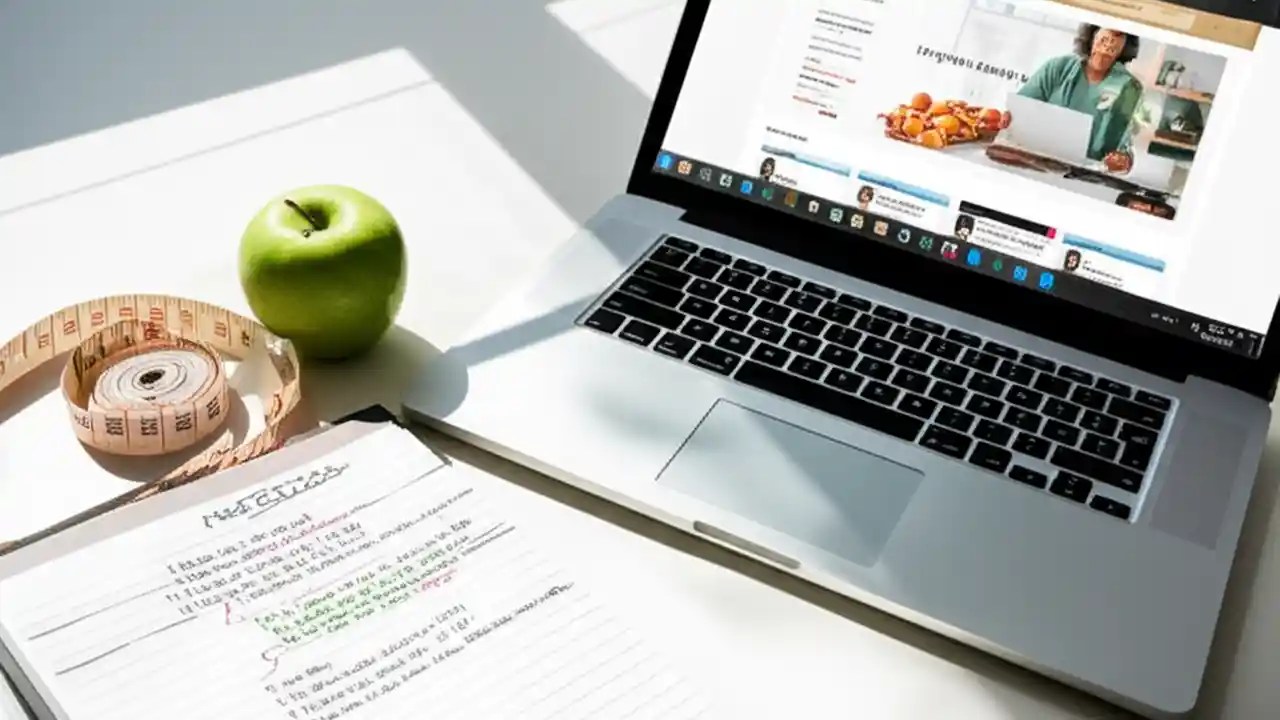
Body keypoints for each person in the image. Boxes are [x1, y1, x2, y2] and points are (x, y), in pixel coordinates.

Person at [1016, 24, 1144, 173]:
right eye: (1103, 41)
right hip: (1036, 161)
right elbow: (1021, 109)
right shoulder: (1058, 67)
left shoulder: (1128, 87)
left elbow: (1125, 137)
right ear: (1091, 38)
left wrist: (1123, 160)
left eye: (1113, 47)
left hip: (1086, 173)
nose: (1105, 49)